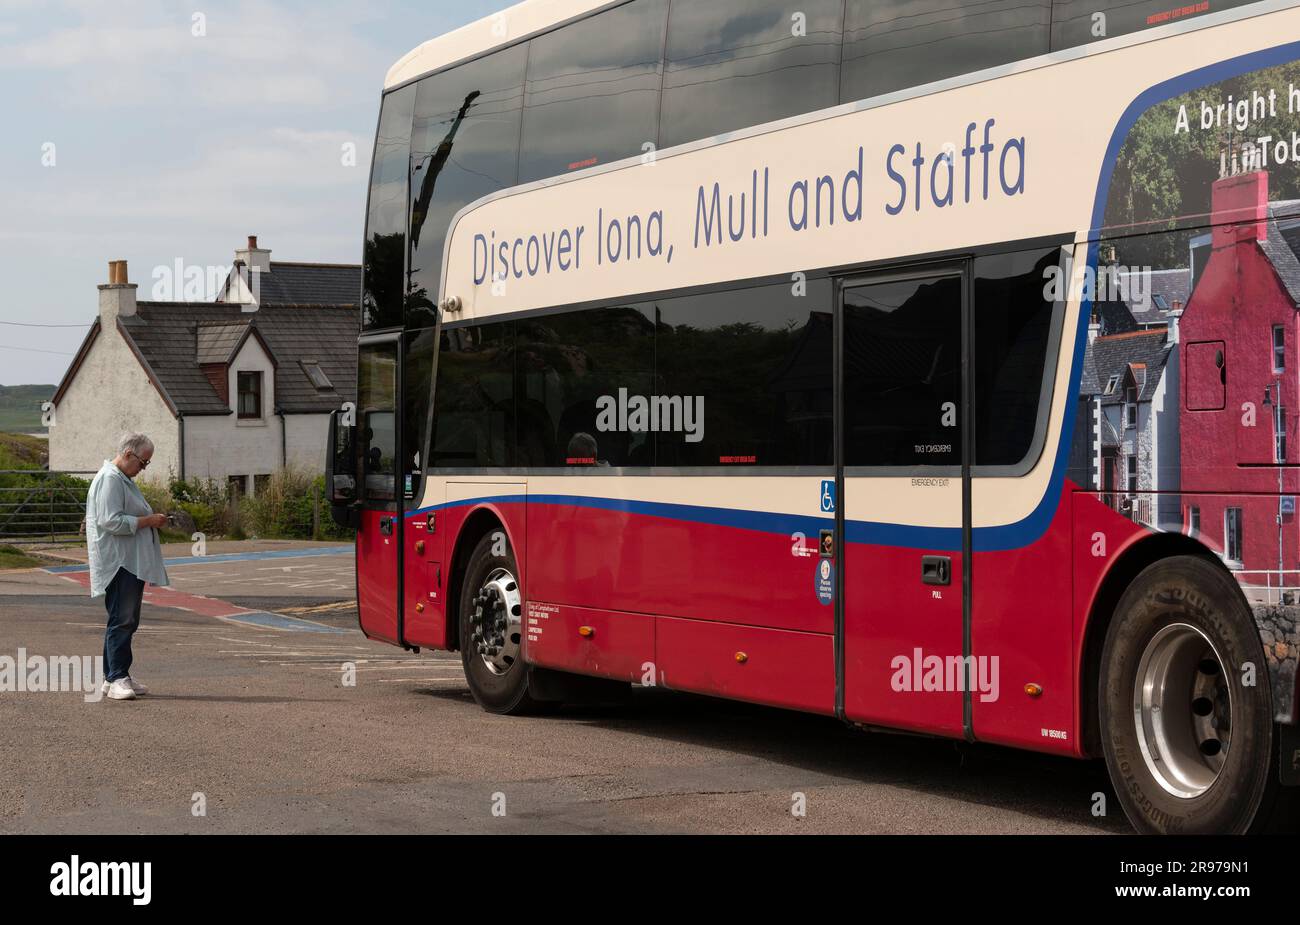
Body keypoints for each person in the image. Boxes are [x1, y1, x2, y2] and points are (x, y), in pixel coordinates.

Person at [85, 433, 170, 701]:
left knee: (124, 620)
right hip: (120, 562)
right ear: (129, 454)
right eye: (143, 463)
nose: (143, 469)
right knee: (123, 620)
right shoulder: (111, 478)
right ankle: (117, 676)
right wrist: (148, 521)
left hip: (126, 561)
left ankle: (115, 676)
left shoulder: (119, 478)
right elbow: (110, 521)